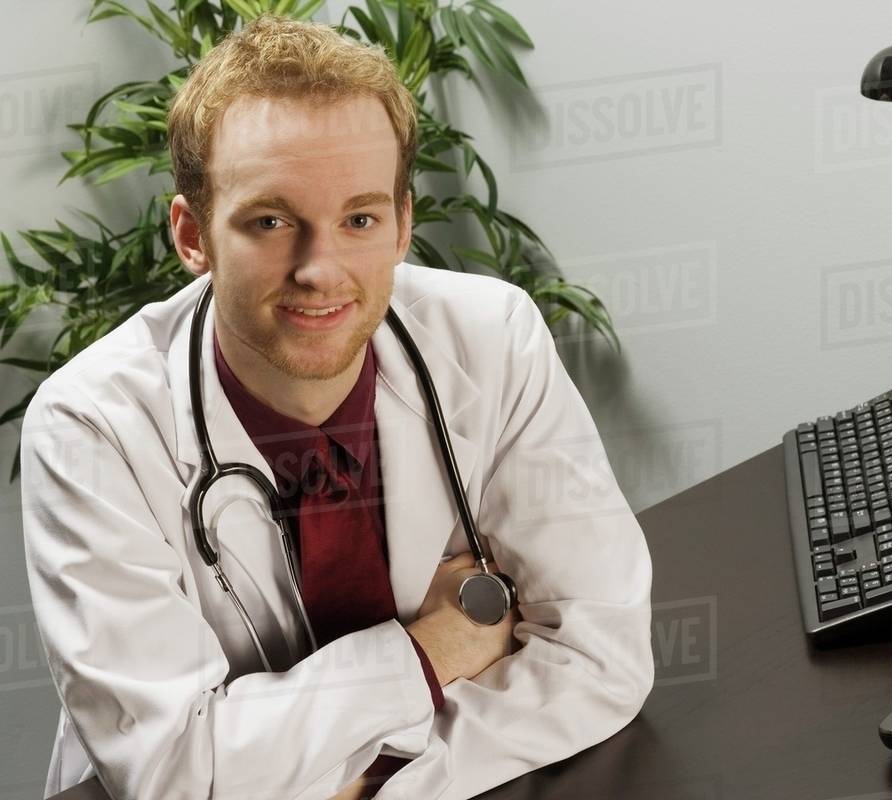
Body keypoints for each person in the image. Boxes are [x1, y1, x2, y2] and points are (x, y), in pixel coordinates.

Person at [20, 13, 653, 800]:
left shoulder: (494, 337)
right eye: (271, 221)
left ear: (402, 225)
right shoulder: (89, 427)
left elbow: (601, 657)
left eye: (359, 218)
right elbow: (175, 771)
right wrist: (439, 647)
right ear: (192, 236)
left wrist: (384, 783)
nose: (320, 269)